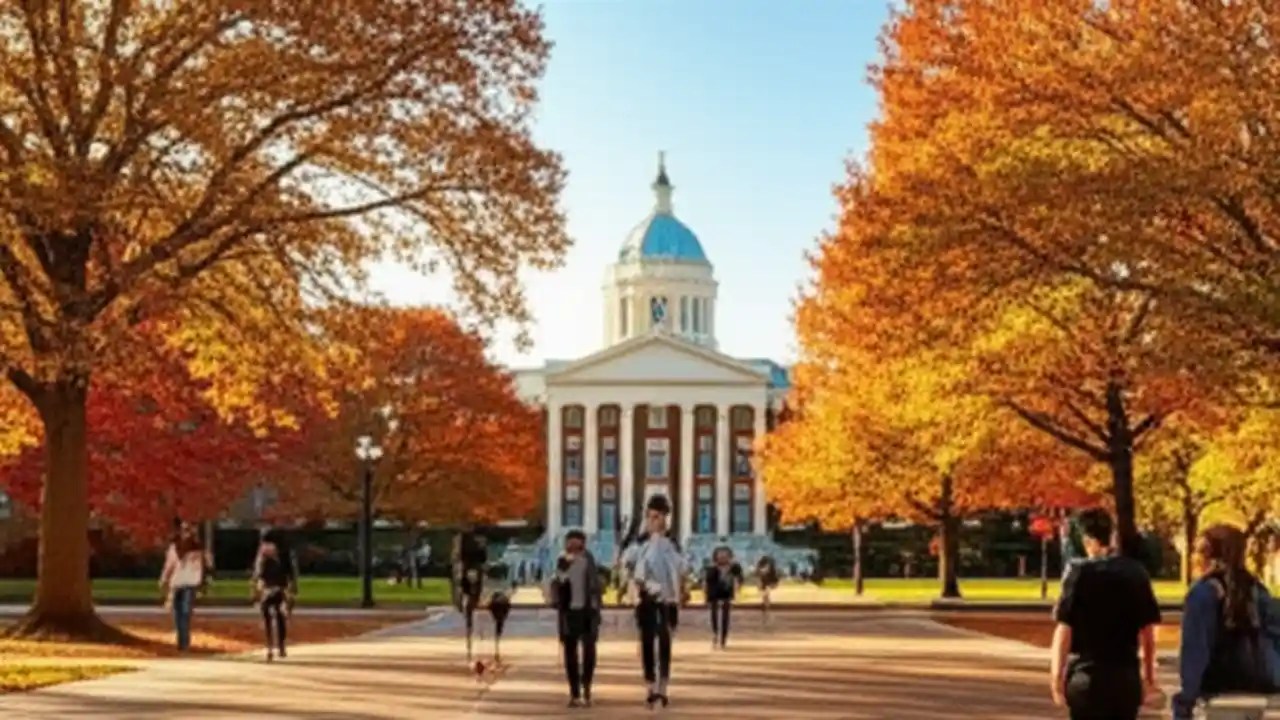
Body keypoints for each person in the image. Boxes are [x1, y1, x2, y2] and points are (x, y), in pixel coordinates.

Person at [1049, 509, 1161, 720]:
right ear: (1112, 535)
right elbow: (1147, 632)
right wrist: (1148, 677)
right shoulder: (1136, 573)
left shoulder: (1078, 573)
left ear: (1087, 539)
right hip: (1124, 675)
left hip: (1087, 674)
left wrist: (1057, 676)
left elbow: (1065, 629)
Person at [1173, 524, 1280, 719]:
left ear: (1207, 554)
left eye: (1197, 551)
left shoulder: (1202, 592)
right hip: (1257, 684)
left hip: (1217, 686)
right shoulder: (1257, 591)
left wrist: (1184, 702)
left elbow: (1195, 650)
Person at [630, 495, 687, 708]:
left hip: (668, 601)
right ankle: (650, 685)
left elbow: (681, 569)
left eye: (660, 516)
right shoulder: (640, 545)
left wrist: (681, 590)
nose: (656, 521)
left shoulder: (672, 545)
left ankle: (663, 686)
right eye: (653, 516)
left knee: (665, 642)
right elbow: (632, 570)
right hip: (646, 600)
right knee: (646, 642)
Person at [547, 529, 603, 708]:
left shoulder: (589, 560)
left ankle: (586, 688)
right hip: (569, 612)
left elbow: (595, 584)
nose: (573, 547)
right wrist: (564, 567)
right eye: (570, 543)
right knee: (570, 653)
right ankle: (574, 693)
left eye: (577, 543)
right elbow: (557, 582)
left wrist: (596, 607)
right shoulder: (562, 560)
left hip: (588, 611)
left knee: (589, 652)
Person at [159, 520, 209, 651]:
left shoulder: (197, 549)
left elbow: (204, 567)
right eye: (184, 530)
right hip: (176, 583)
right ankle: (181, 639)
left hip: (190, 583)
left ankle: (184, 642)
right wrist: (164, 579)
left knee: (186, 612)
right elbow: (169, 565)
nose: (186, 533)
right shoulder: (174, 547)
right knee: (176, 613)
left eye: (188, 530)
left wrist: (202, 583)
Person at [251, 529, 297, 662]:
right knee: (267, 615)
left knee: (279, 615)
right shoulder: (262, 556)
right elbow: (258, 573)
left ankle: (281, 645)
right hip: (267, 588)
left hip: (280, 587)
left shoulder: (284, 555)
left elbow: (290, 571)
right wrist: (257, 585)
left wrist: (291, 588)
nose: (267, 546)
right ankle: (270, 645)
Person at [704, 545, 742, 650]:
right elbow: (707, 583)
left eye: (725, 555)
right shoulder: (711, 569)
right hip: (714, 594)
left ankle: (723, 639)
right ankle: (715, 634)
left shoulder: (734, 568)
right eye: (720, 555)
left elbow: (738, 580)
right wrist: (706, 596)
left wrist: (737, 591)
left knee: (726, 616)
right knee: (714, 615)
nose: (722, 557)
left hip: (726, 594)